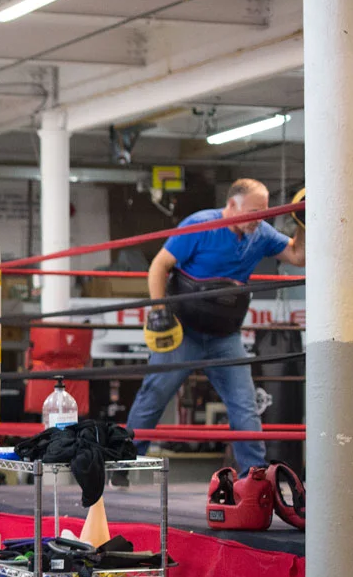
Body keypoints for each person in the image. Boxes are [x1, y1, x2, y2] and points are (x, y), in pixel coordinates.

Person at [125, 179, 305, 470]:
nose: (259, 218)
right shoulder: (200, 225)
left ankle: (254, 476)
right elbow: (159, 265)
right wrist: (159, 310)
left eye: (264, 211)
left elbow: (298, 255)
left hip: (225, 336)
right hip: (184, 331)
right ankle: (125, 463)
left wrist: (302, 223)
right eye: (253, 211)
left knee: (245, 406)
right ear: (231, 205)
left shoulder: (260, 233)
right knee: (154, 394)